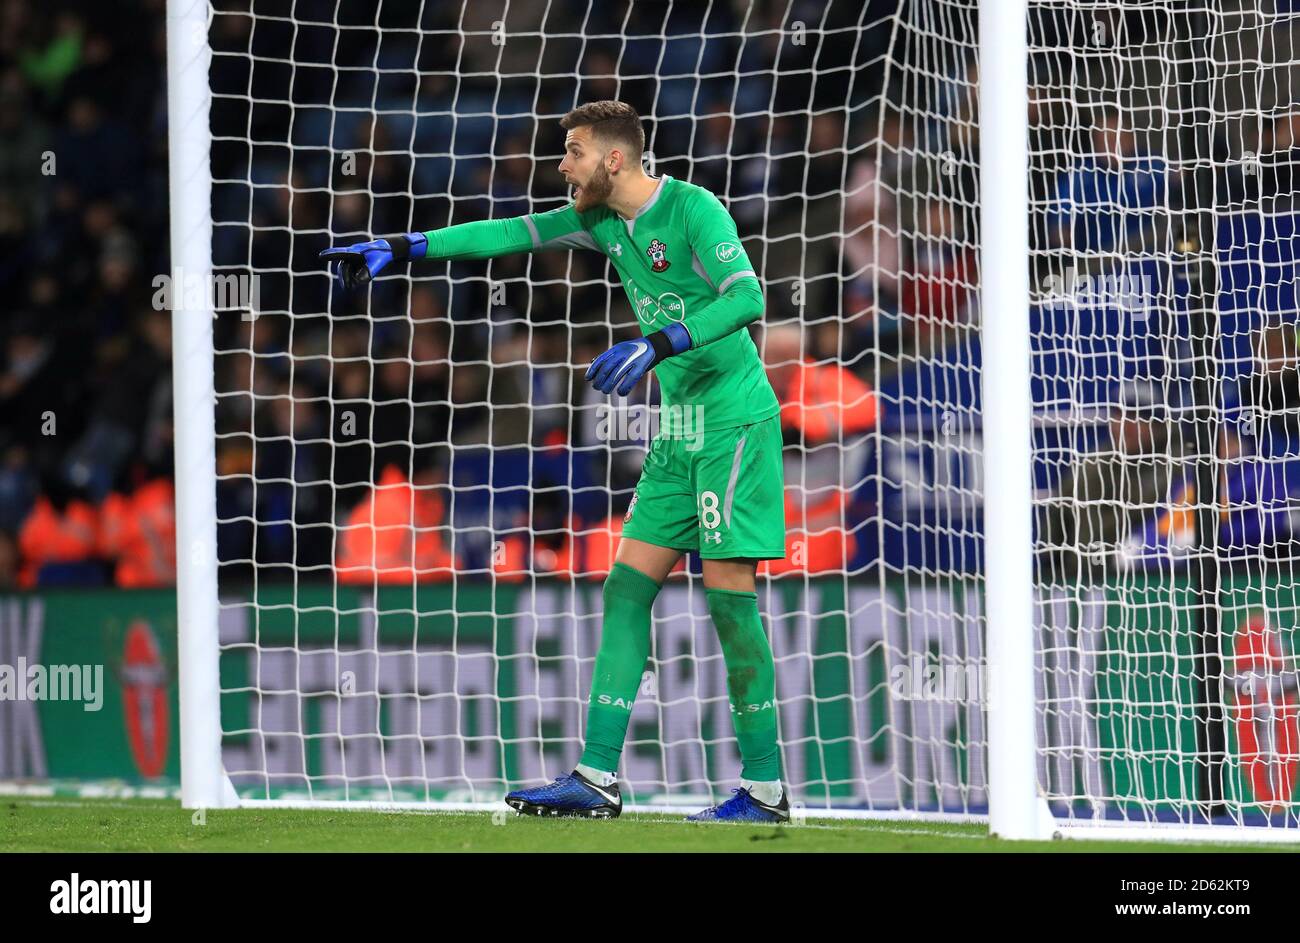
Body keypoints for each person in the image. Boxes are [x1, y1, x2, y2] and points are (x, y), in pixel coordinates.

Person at [320, 101, 789, 822]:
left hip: (733, 423)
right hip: (678, 428)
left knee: (728, 598)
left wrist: (659, 343)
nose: (560, 165)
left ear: (613, 159)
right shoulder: (600, 220)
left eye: (571, 151)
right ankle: (596, 777)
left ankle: (765, 790)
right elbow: (508, 232)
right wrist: (405, 246)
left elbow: (749, 296)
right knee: (627, 588)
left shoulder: (694, 209)